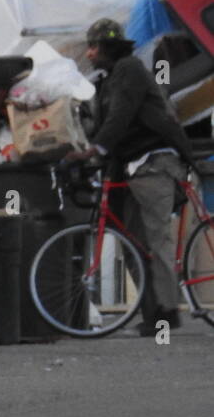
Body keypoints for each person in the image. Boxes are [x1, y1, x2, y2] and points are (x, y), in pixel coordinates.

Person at [67, 18, 193, 334]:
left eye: (95, 47)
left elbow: (121, 117)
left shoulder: (129, 70)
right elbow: (108, 122)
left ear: (109, 48)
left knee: (154, 238)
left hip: (154, 163)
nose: (91, 53)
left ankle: (167, 313)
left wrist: (95, 149)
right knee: (132, 241)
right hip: (132, 166)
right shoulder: (108, 80)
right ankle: (153, 312)